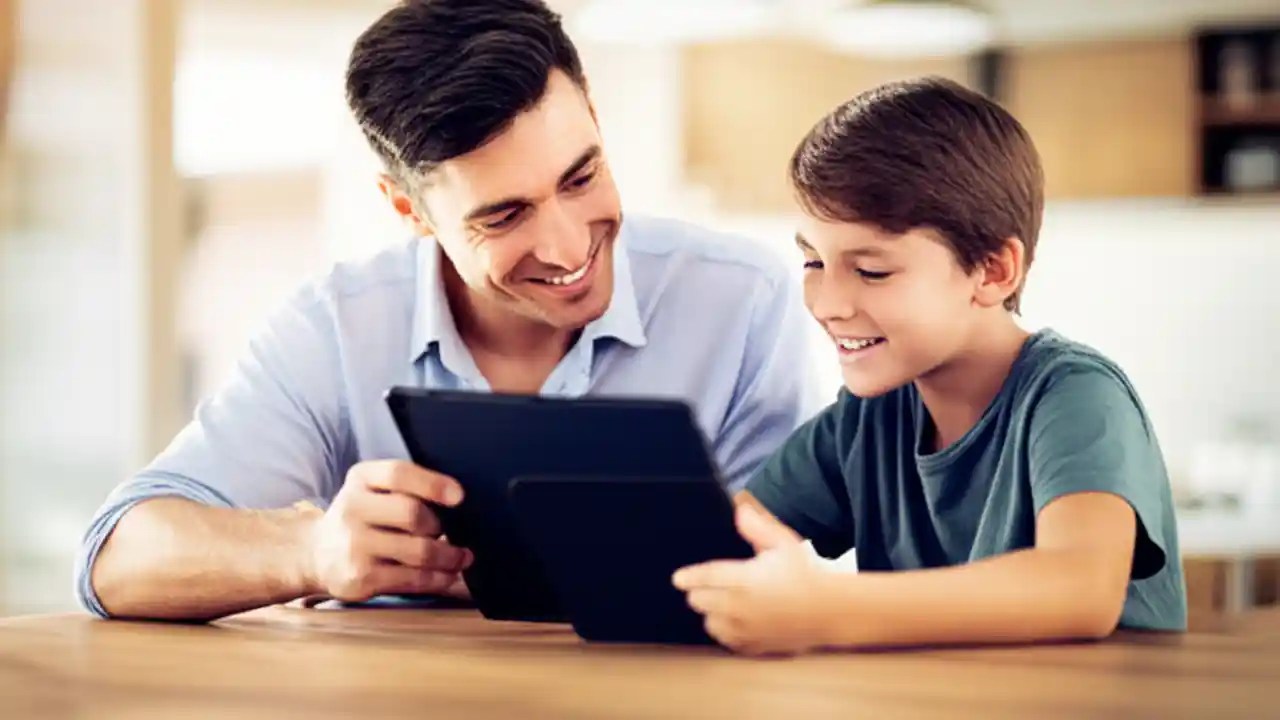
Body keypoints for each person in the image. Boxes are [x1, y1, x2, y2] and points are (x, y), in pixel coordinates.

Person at [77, 0, 816, 621]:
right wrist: (310, 552)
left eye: (581, 175)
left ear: (592, 114)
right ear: (410, 209)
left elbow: (768, 575)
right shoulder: (338, 326)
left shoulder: (742, 299)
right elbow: (118, 558)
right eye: (503, 217)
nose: (565, 246)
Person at [674, 77, 1188, 656]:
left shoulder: (1075, 396)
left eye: (871, 271)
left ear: (993, 271)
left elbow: (1081, 589)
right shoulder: (862, 422)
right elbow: (709, 547)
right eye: (814, 261)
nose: (825, 304)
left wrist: (827, 609)